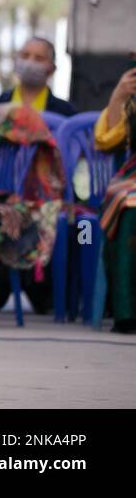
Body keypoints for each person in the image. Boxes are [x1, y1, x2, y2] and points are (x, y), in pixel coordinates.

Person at [96, 65, 136, 332]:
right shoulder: (130, 93)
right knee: (128, 203)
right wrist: (118, 97)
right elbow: (106, 141)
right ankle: (127, 312)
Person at [0, 36, 76, 117]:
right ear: (15, 62)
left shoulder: (65, 113)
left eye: (39, 58)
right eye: (25, 56)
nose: (29, 64)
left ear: (51, 69)